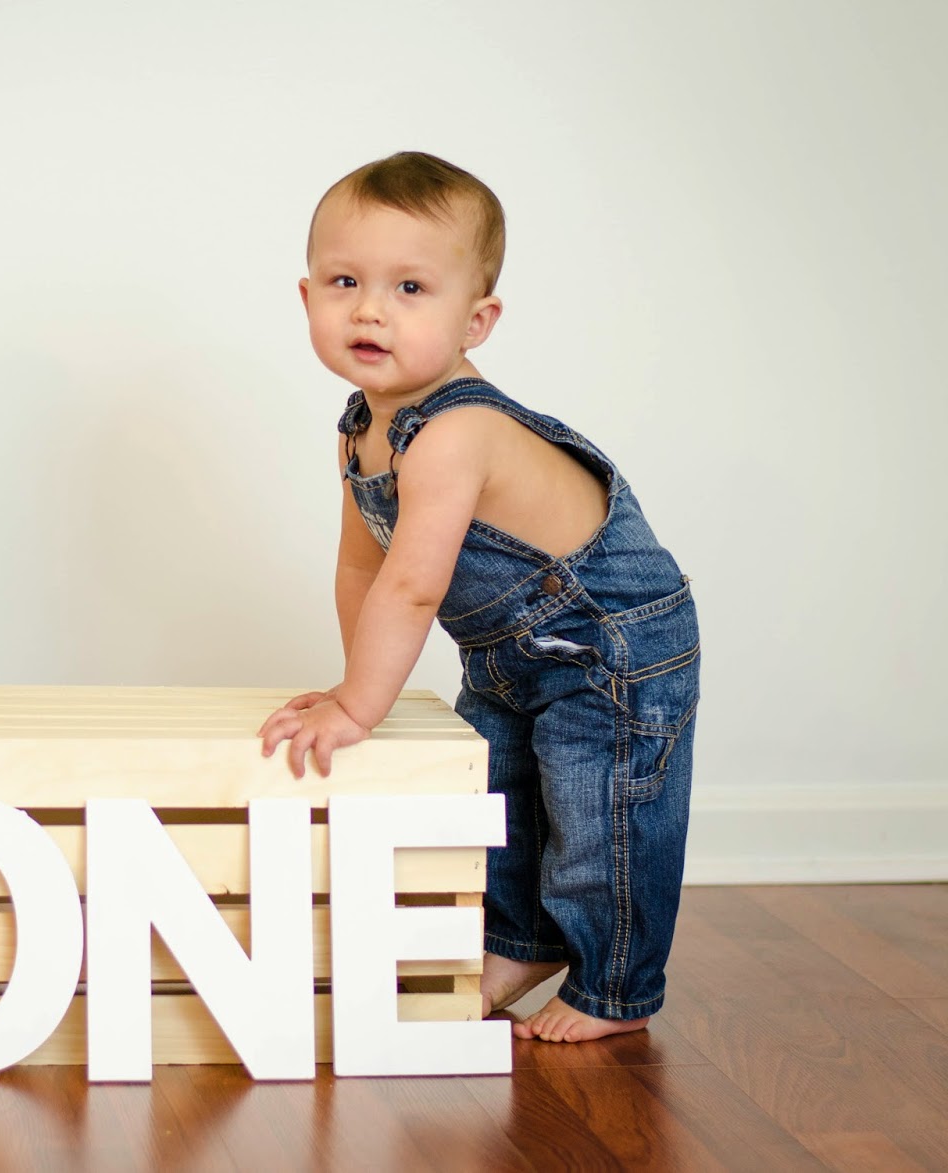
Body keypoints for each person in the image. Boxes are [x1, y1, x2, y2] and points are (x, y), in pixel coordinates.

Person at [259, 152, 700, 1043]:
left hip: (609, 643)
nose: (371, 308)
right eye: (346, 281)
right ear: (307, 299)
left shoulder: (458, 429)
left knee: (599, 816)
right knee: (496, 803)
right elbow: (365, 571)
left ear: (478, 318)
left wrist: (359, 705)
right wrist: (358, 686)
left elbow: (417, 584)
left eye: (411, 287)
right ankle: (518, 942)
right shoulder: (359, 431)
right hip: (505, 650)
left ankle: (615, 988)